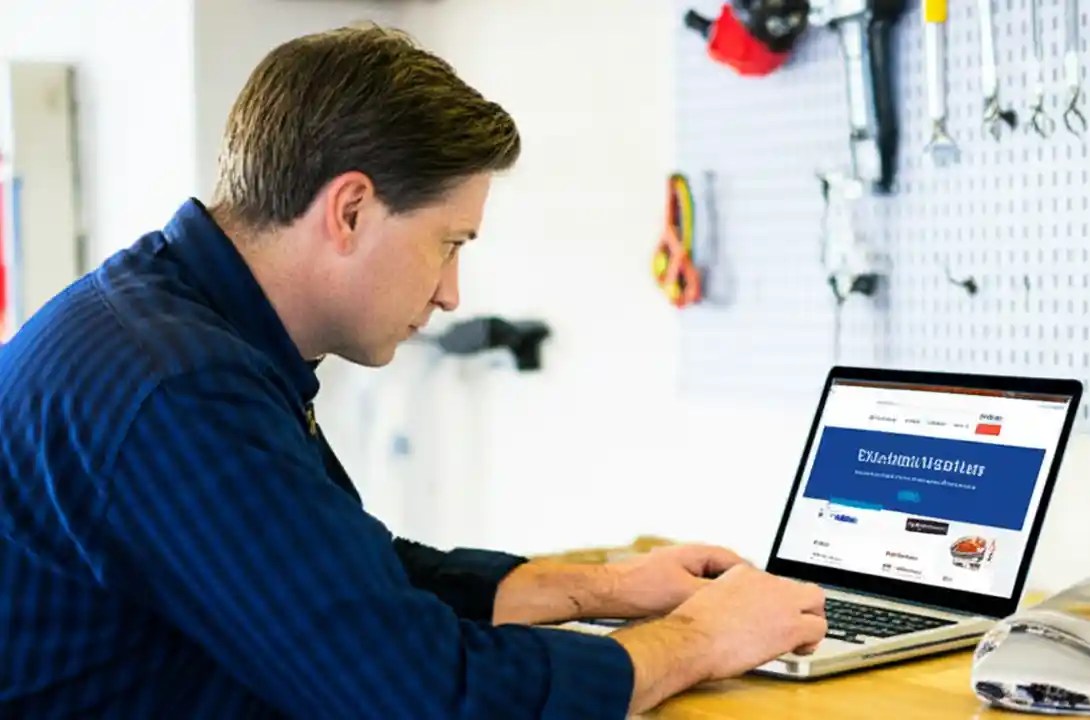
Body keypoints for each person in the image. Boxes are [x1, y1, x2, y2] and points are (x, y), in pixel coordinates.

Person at [0, 24, 827, 719]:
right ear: (350, 210)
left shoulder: (161, 314)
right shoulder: (178, 387)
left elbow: (340, 579)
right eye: (449, 242)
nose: (449, 292)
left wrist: (609, 588)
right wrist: (702, 642)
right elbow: (419, 699)